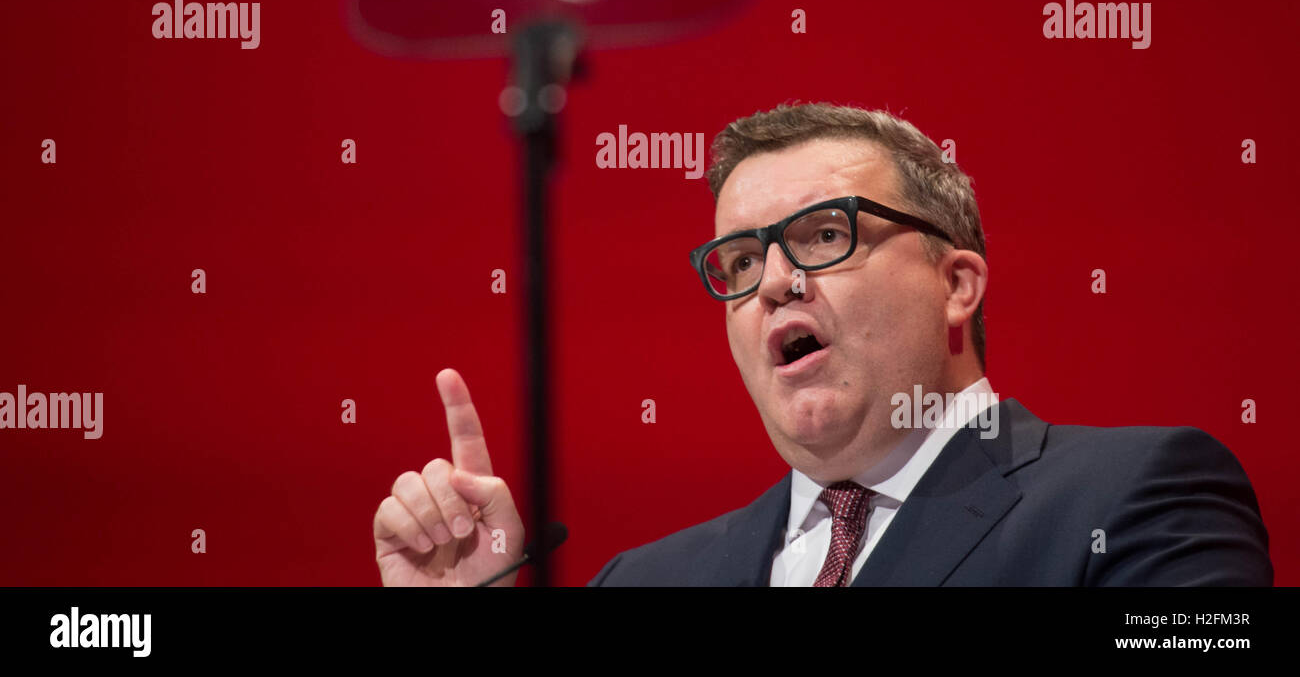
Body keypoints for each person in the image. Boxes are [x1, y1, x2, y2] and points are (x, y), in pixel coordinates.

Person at [372, 103, 1273, 586]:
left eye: (821, 234)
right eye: (740, 258)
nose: (771, 283)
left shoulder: (1139, 497)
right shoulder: (649, 576)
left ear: (956, 283)